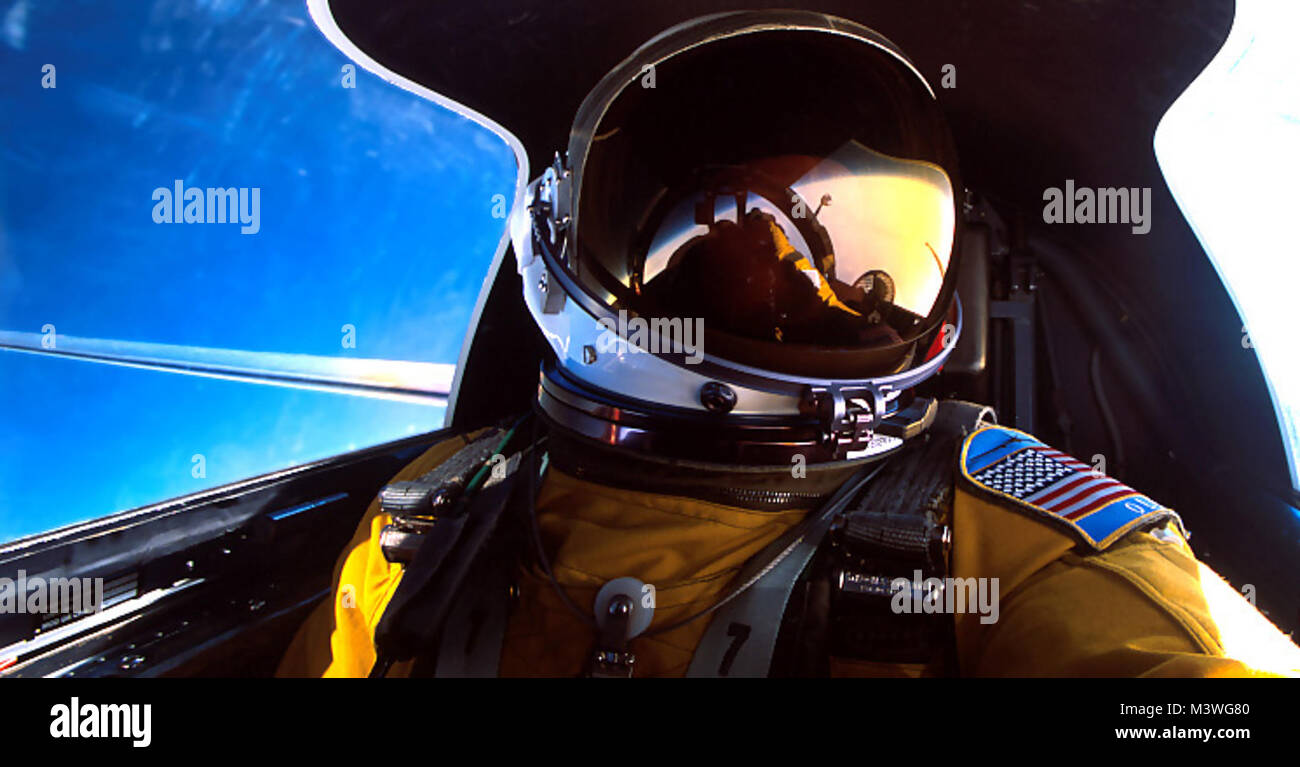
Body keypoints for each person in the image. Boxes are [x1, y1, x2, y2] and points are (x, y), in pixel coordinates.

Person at [277, 10, 1300, 678]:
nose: (790, 270)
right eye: (729, 223)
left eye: (844, 232)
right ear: (570, 229)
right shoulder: (429, 514)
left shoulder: (1022, 538)